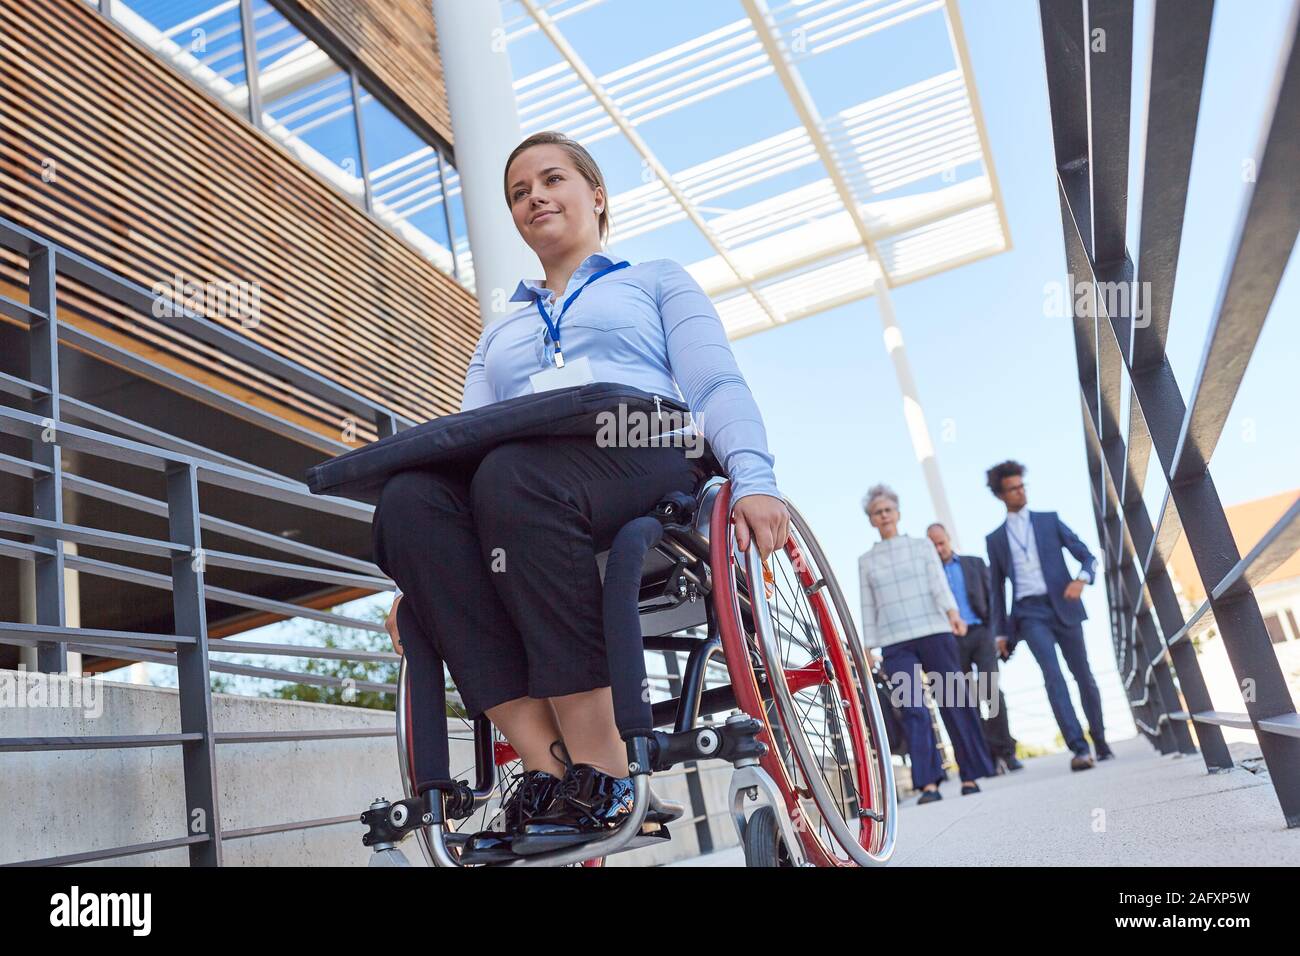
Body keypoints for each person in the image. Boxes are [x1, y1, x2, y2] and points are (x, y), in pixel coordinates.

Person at [372, 131, 790, 860]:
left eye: (551, 179)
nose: (533, 196)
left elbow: (715, 385)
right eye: (517, 192)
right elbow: (463, 448)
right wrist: (425, 569)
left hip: (646, 458)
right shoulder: (499, 333)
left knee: (511, 477)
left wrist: (753, 479)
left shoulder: (655, 279)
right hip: (526, 491)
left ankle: (608, 771)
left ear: (596, 195)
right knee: (409, 502)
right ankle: (548, 768)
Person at [858, 484, 995, 804]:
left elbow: (938, 582)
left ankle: (971, 774)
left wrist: (953, 614)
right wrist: (868, 644)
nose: (884, 515)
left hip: (934, 629)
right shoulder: (866, 561)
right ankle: (928, 783)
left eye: (888, 510)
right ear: (871, 521)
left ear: (898, 514)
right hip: (895, 641)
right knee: (913, 707)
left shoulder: (922, 547)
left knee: (952, 701)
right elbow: (867, 604)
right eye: (877, 512)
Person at [984, 460, 1111, 771]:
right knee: (1053, 677)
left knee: (1083, 675)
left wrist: (1081, 579)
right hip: (1028, 613)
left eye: (1022, 486)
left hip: (1065, 604)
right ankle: (1079, 749)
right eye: (1013, 489)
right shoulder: (996, 539)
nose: (1020, 492)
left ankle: (1100, 740)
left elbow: (1087, 555)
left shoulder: (1049, 520)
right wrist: (1000, 633)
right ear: (1001, 495)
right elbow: (996, 590)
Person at [926, 522, 1021, 772]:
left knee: (991, 690)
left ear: (948, 539)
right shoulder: (929, 576)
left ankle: (1006, 752)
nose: (938, 549)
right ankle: (986, 757)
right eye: (933, 545)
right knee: (966, 699)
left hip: (981, 633)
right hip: (951, 640)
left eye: (941, 542)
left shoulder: (974, 564)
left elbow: (995, 600)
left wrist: (1000, 633)